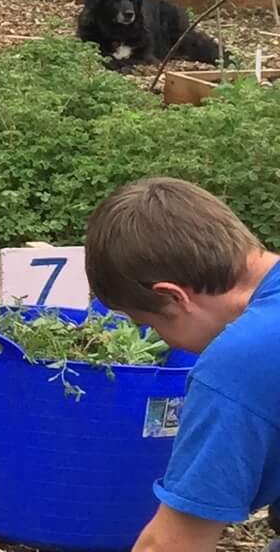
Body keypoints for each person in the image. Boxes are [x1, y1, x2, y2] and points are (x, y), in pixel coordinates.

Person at [85, 178, 280, 552]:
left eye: (149, 325)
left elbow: (171, 545)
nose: (164, 341)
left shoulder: (239, 364)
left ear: (173, 297)